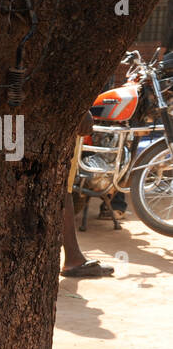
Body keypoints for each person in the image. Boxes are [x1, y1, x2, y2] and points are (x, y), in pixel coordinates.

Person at [62, 111, 113, 277]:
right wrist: (81, 109)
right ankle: (73, 258)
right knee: (61, 188)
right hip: (61, 117)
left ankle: (73, 256)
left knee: (61, 187)